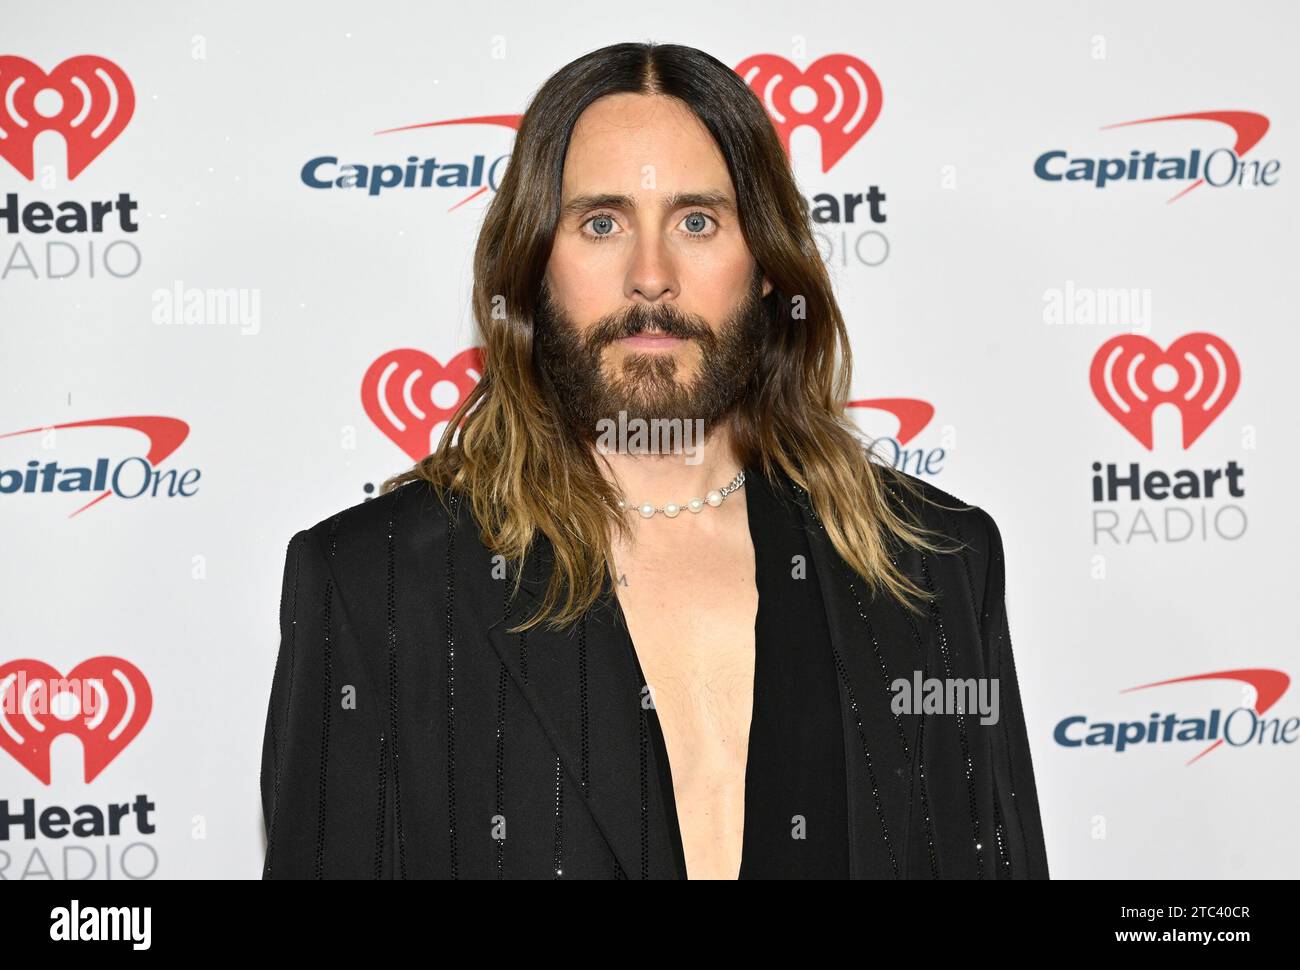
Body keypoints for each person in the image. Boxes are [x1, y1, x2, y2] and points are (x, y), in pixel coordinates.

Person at [259, 41, 1049, 879]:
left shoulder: (933, 565)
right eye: (601, 223)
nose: (651, 276)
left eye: (697, 222)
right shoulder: (376, 583)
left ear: (767, 262)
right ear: (532, 266)